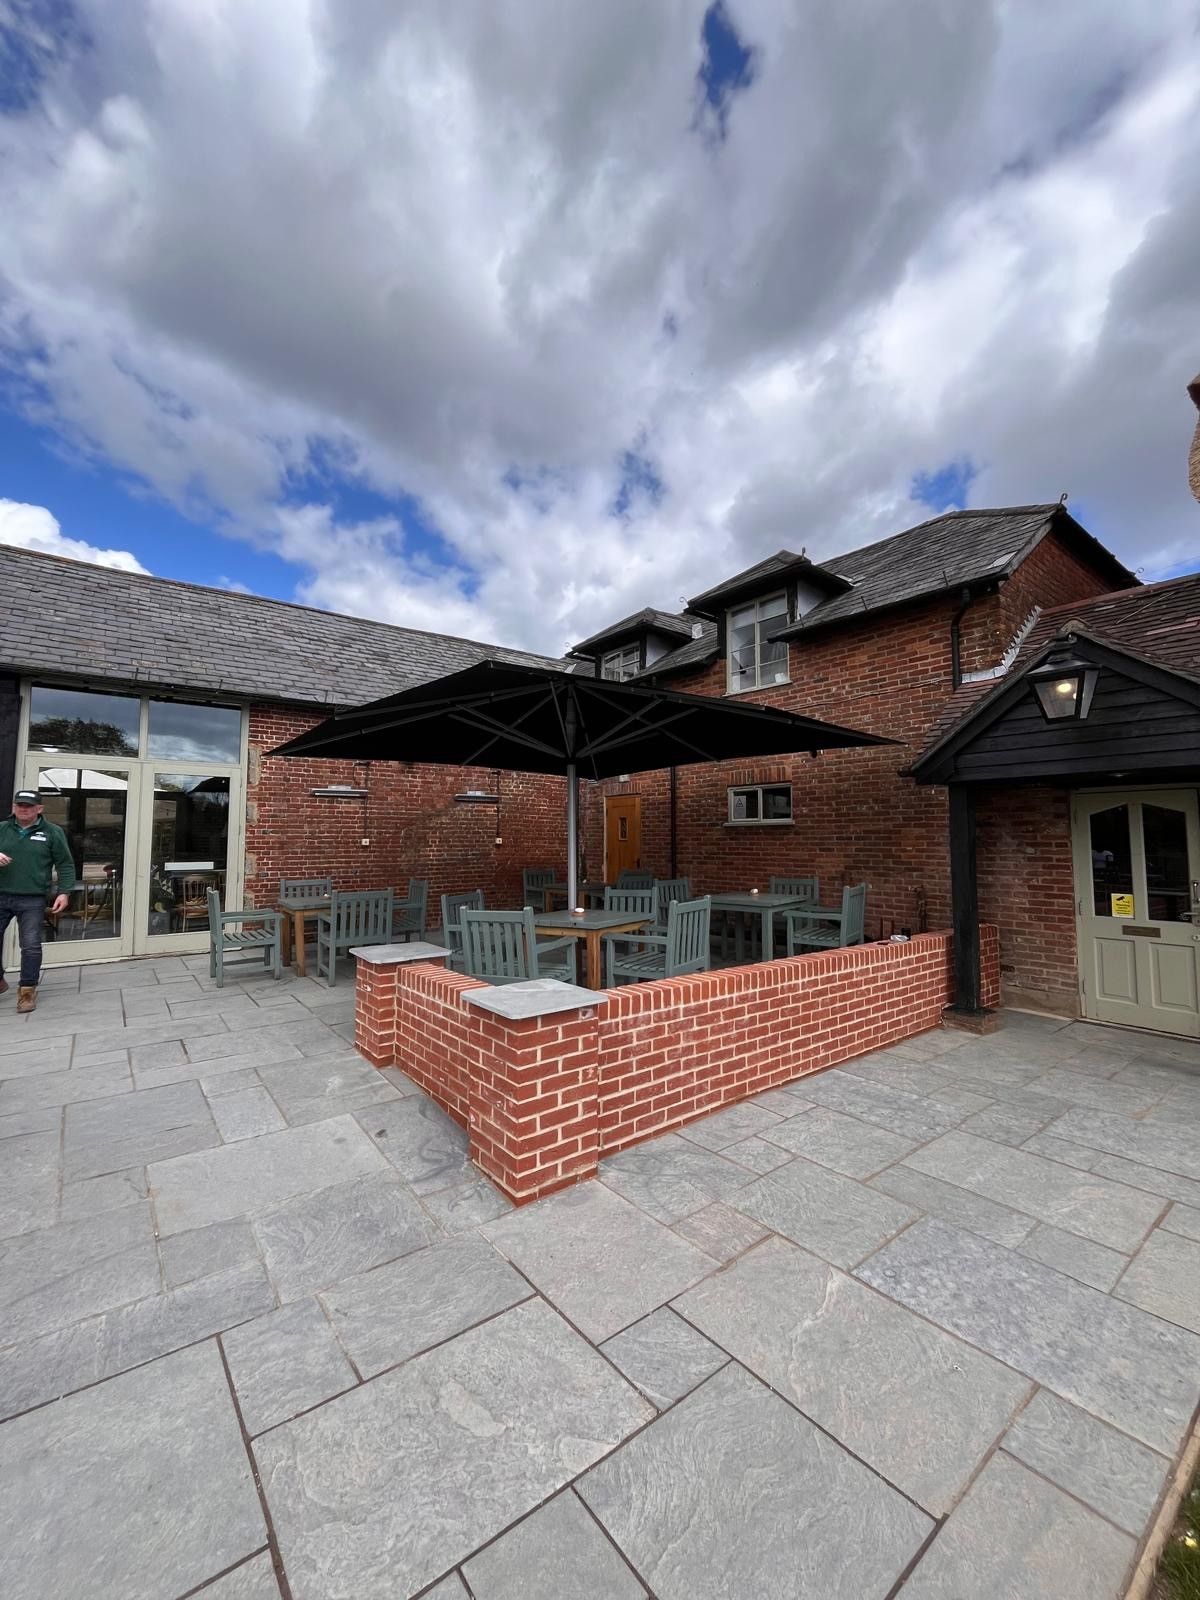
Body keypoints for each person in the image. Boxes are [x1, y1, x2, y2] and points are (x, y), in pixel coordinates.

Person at [0, 788, 76, 1012]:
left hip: (32, 897)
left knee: (31, 944)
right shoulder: (2, 829)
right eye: (20, 805)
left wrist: (64, 892)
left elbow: (65, 863)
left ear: (39, 809)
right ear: (13, 807)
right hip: (1, 893)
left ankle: (27, 990)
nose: (24, 809)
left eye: (29, 806)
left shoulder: (52, 832)